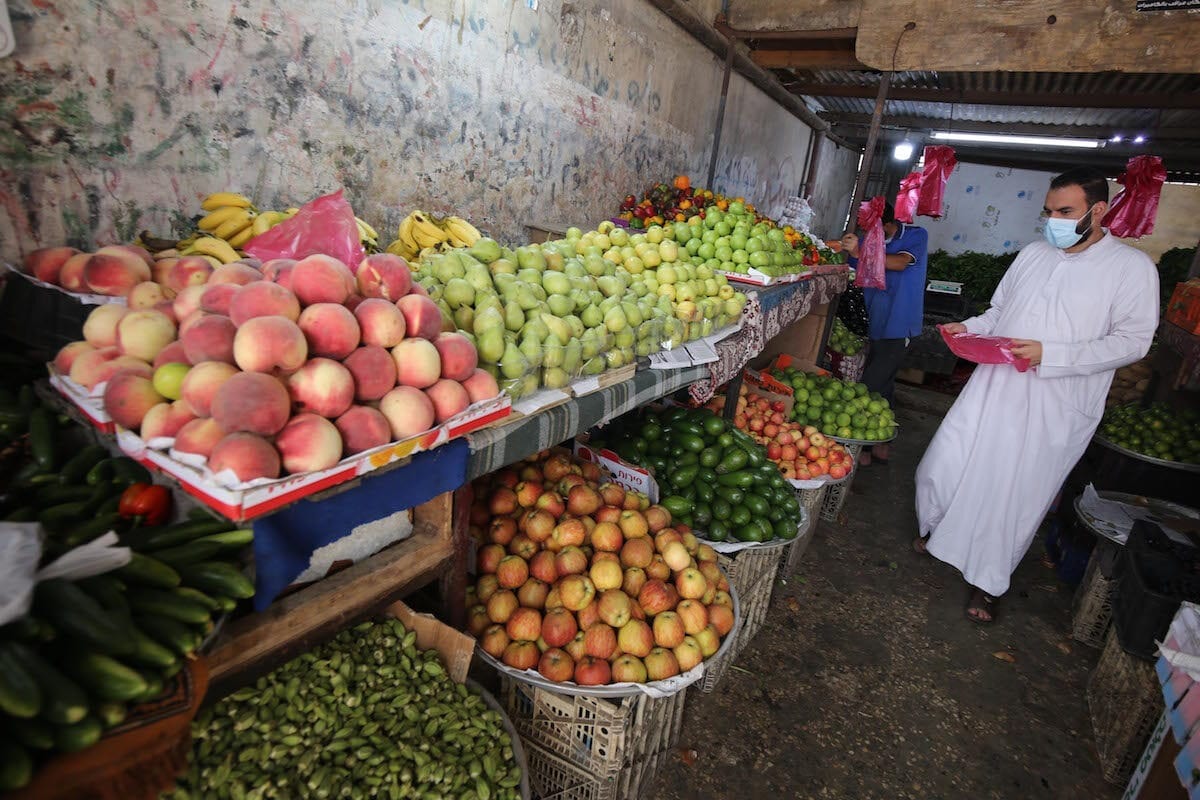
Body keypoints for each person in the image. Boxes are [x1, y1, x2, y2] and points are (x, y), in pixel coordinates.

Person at [913, 166, 1159, 623]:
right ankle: (940, 530)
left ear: (1099, 210)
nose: (1054, 220)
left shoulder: (1131, 269)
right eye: (1049, 211)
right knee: (949, 462)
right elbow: (1000, 311)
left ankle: (987, 583)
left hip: (1056, 402)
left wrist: (1052, 353)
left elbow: (1133, 341)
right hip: (997, 384)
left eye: (1065, 211)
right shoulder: (1033, 254)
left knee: (1015, 491)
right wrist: (967, 327)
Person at [841, 202, 929, 466]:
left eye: (871, 229)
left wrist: (861, 251)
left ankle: (863, 446)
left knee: (870, 384)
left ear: (886, 224)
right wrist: (847, 249)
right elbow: (856, 267)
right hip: (875, 322)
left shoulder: (916, 235)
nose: (868, 234)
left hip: (899, 323)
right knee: (885, 382)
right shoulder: (868, 240)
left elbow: (899, 263)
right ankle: (882, 443)